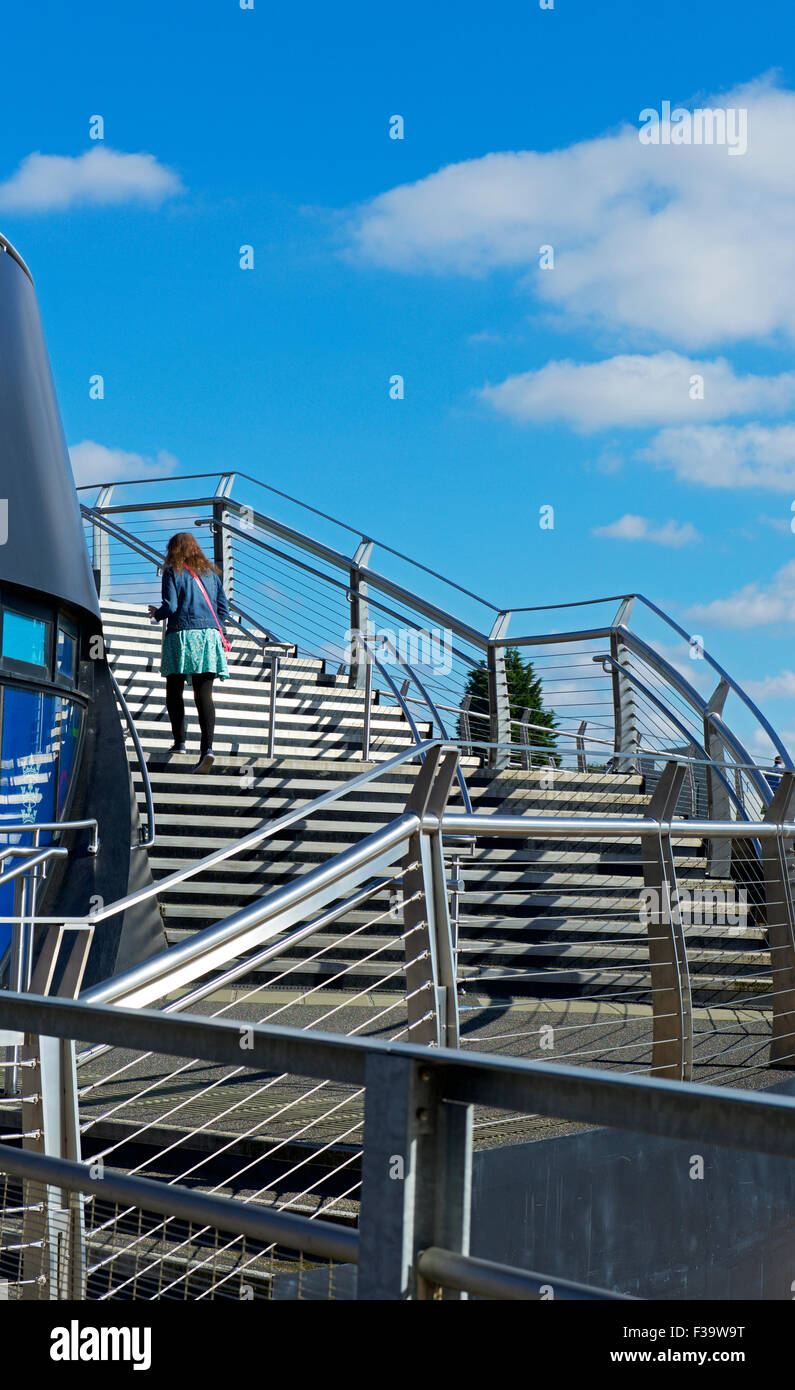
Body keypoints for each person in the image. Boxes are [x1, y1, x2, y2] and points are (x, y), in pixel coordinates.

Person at [148, 532, 230, 773]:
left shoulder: (173, 571)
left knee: (174, 690)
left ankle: (180, 742)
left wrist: (157, 614)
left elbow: (171, 606)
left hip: (181, 635)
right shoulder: (212, 574)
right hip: (209, 636)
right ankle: (207, 749)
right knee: (204, 694)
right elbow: (223, 609)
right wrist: (211, 626)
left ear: (173, 550)